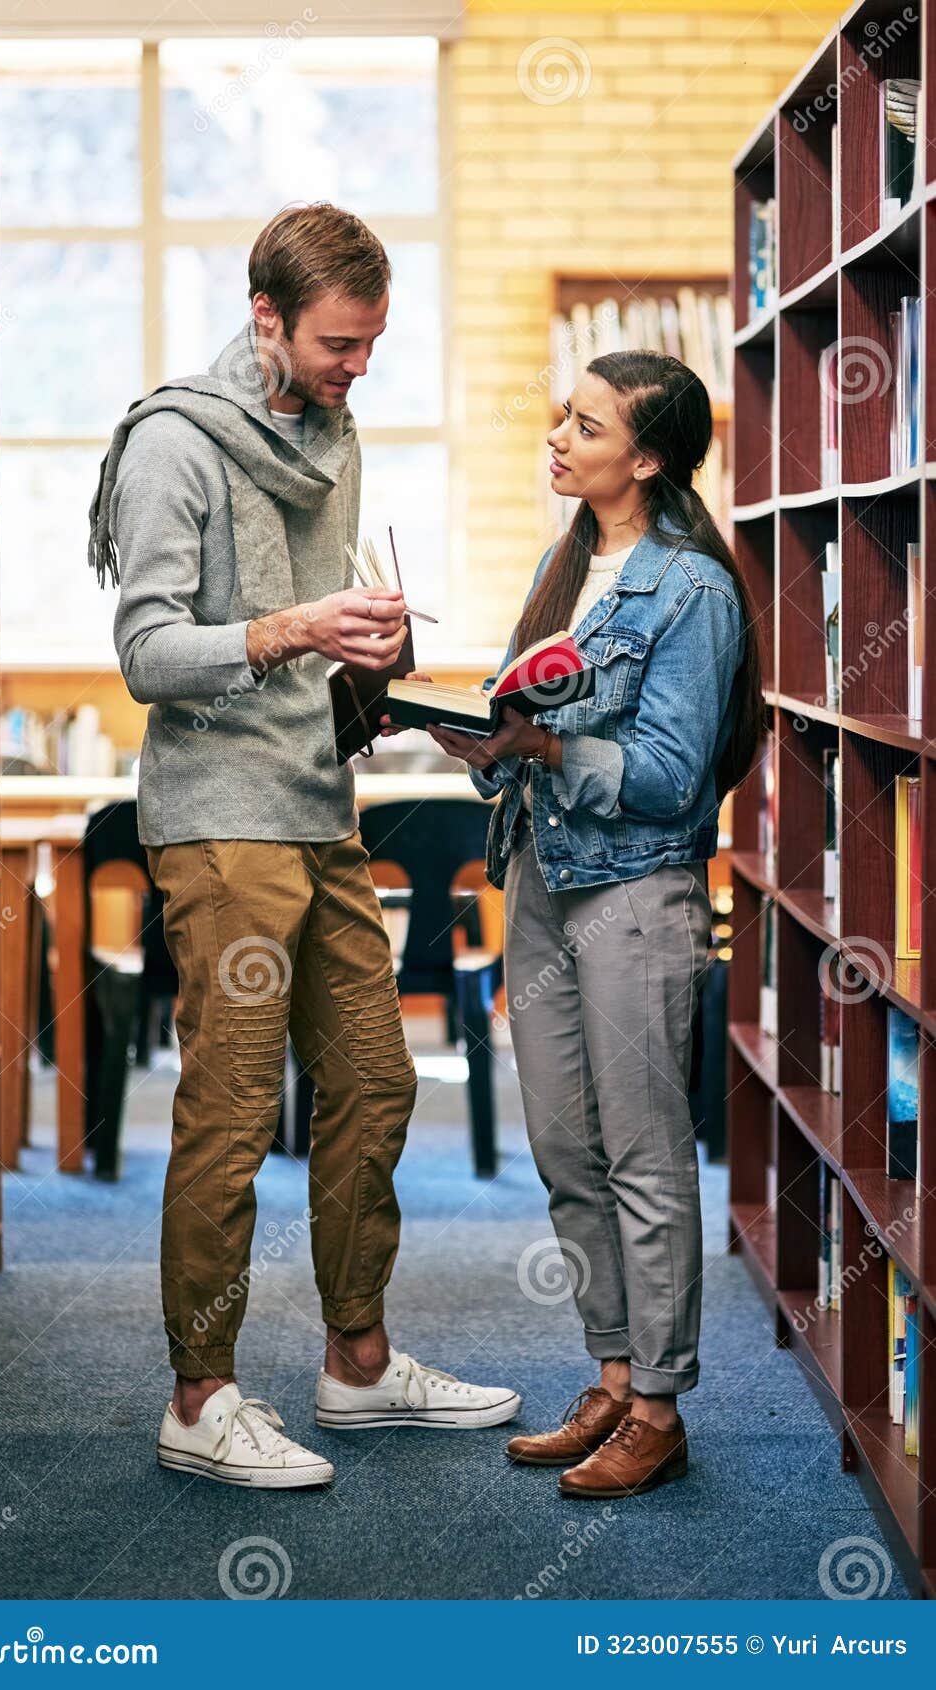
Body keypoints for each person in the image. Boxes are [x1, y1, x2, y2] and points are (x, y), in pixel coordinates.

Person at [87, 202, 520, 1490]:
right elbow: (147, 653)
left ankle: (357, 1361)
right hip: (221, 819)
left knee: (379, 1080)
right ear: (265, 316)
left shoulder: (335, 432)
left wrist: (391, 678)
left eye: (374, 342)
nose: (358, 367)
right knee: (231, 1108)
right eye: (339, 343)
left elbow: (321, 655)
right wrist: (295, 627)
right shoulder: (174, 443)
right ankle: (199, 1396)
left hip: (321, 803)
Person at [408, 350, 762, 1498]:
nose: (558, 437)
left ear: (647, 460)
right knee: (564, 1146)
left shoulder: (692, 589)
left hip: (637, 891)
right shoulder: (567, 566)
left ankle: (659, 1408)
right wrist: (481, 739)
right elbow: (522, 730)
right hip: (540, 876)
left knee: (644, 1150)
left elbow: (673, 777)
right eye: (564, 416)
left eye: (588, 425)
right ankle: (612, 1376)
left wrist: (549, 745)